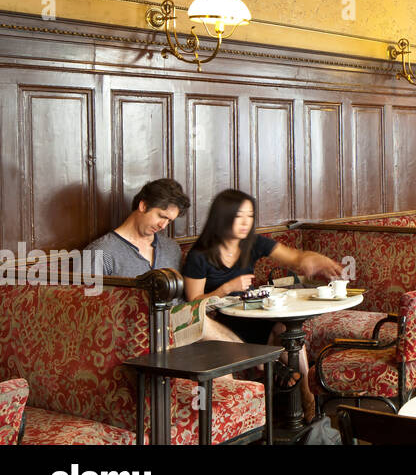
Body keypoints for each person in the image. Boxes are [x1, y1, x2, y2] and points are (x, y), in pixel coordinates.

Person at [182, 189, 344, 416]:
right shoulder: (199, 256)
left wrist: (316, 260)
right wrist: (226, 288)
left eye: (250, 216)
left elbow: (294, 257)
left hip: (253, 317)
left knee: (289, 332)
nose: (245, 222)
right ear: (223, 217)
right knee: (280, 336)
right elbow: (193, 304)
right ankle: (267, 364)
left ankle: (310, 406)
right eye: (239, 216)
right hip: (220, 324)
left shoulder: (253, 243)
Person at [86, 178, 189, 277]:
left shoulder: (172, 248)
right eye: (161, 216)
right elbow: (84, 294)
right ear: (143, 206)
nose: (163, 226)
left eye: (169, 220)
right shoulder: (100, 252)